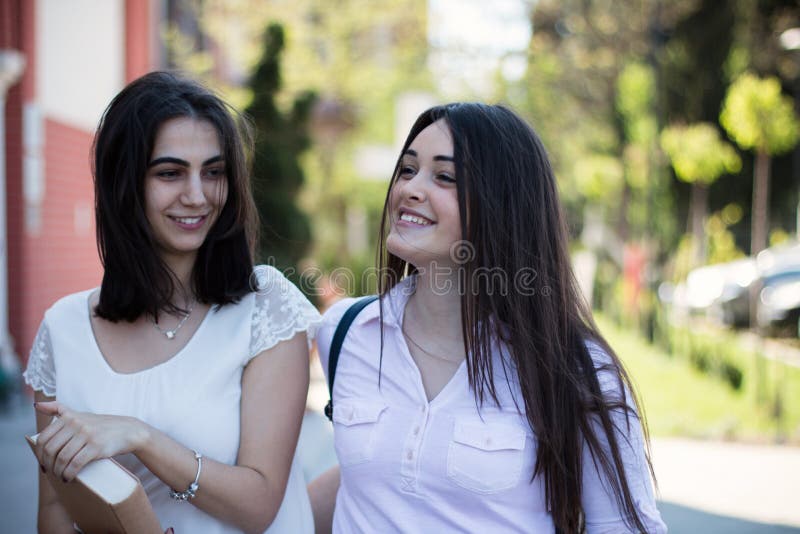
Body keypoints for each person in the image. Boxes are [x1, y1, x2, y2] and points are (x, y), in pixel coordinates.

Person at [310, 103, 667, 533]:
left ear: (502, 206)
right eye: (407, 170)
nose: (410, 189)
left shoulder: (575, 370)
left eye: (444, 177)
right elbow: (371, 482)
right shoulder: (346, 333)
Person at [23, 71, 321, 533]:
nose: (197, 196)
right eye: (170, 172)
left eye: (214, 172)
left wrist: (142, 438)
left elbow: (258, 504)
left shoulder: (266, 309)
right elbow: (57, 508)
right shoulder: (63, 330)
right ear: (125, 182)